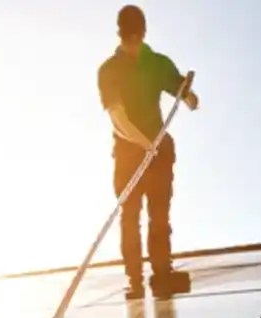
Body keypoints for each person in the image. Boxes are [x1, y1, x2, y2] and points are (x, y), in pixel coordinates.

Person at [97, 5, 199, 299]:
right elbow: (117, 117)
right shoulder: (108, 70)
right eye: (128, 39)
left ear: (143, 34)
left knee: (159, 215)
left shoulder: (157, 63)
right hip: (128, 152)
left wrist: (190, 95)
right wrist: (142, 143)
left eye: (137, 38)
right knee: (129, 216)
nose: (132, 45)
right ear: (120, 35)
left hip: (159, 153)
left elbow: (186, 95)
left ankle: (162, 273)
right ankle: (135, 280)